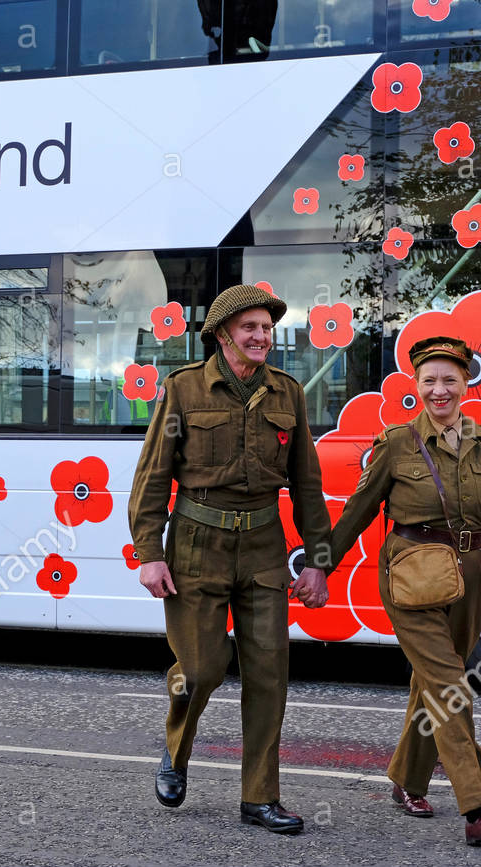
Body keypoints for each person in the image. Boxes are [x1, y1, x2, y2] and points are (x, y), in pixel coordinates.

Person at [326, 336, 481, 846]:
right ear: (415, 386)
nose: (440, 390)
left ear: (466, 384)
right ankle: (479, 807)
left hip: (470, 575)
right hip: (411, 572)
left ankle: (408, 779)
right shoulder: (396, 443)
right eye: (429, 381)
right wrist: (318, 568)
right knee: (450, 684)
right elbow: (358, 511)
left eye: (449, 380)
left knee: (433, 684)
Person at [128, 284, 332, 834]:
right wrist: (150, 553)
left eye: (267, 328)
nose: (262, 337)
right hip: (197, 545)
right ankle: (176, 749)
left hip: (264, 546)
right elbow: (152, 476)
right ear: (223, 335)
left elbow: (307, 484)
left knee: (270, 674)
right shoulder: (183, 388)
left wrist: (317, 560)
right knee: (200, 670)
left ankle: (259, 797)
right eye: (251, 328)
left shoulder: (288, 393)